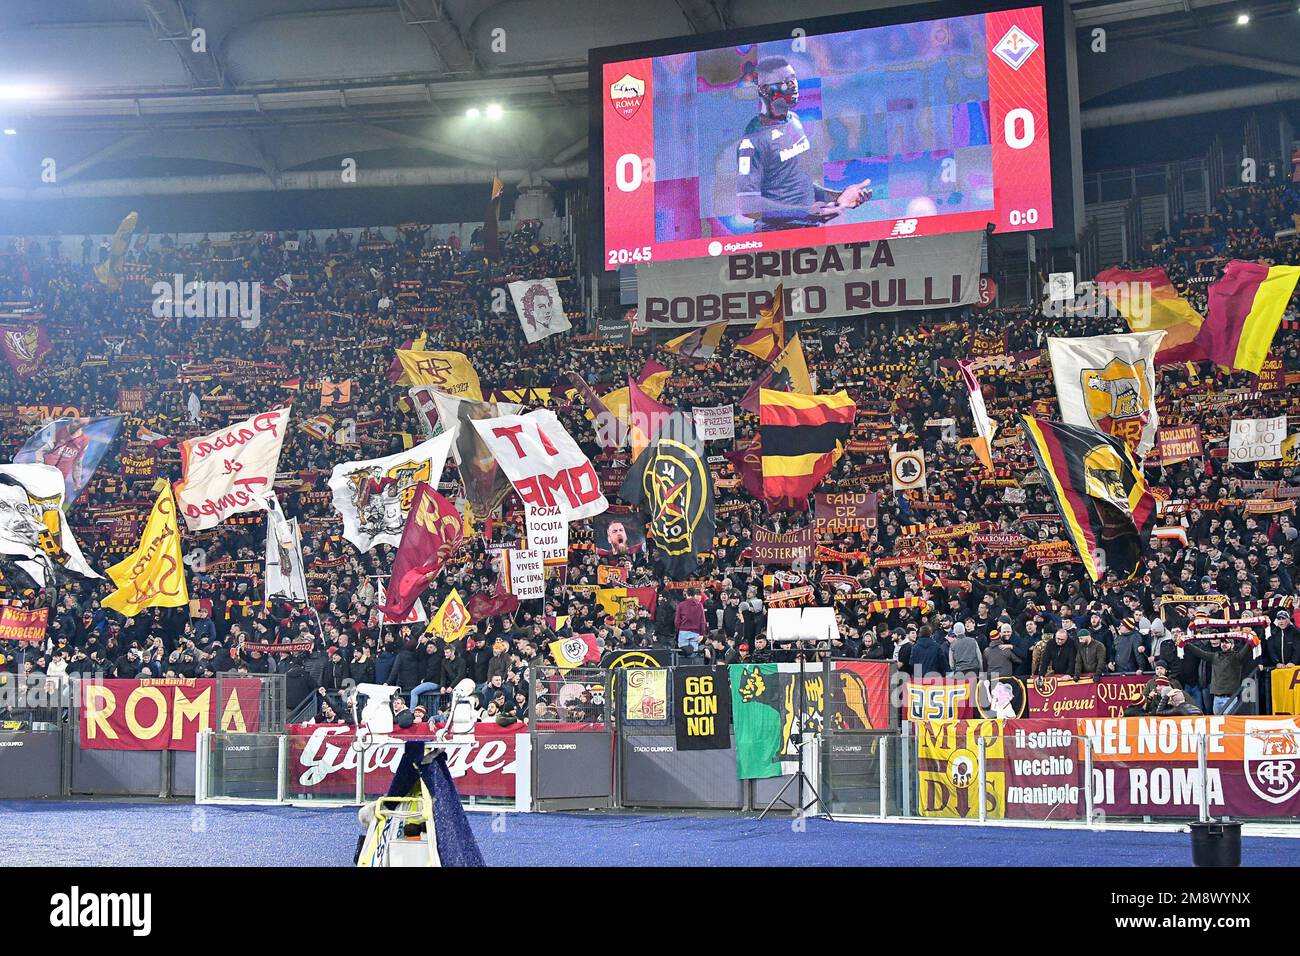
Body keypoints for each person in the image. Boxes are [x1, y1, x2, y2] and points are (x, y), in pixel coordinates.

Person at [735, 56, 871, 232]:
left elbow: (797, 183)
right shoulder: (752, 140)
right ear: (764, 90)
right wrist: (805, 212)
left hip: (809, 231)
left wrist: (838, 197)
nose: (793, 86)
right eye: (785, 82)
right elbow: (748, 205)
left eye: (794, 79)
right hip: (776, 239)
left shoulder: (794, 121)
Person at [1182, 634, 1255, 714]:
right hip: (1216, 698)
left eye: (1227, 642)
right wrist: (1186, 644)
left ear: (1232, 645)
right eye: (1222, 642)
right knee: (1217, 722)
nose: (1224, 644)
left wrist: (1253, 637)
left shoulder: (1237, 657)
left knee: (1227, 723)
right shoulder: (1215, 656)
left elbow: (1248, 646)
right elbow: (1200, 653)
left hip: (1230, 698)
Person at [674, 588, 706, 657]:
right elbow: (702, 621)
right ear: (694, 595)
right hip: (695, 633)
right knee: (693, 654)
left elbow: (677, 621)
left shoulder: (681, 605)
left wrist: (678, 630)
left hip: (683, 632)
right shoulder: (700, 605)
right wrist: (702, 633)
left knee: (682, 654)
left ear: (686, 594)